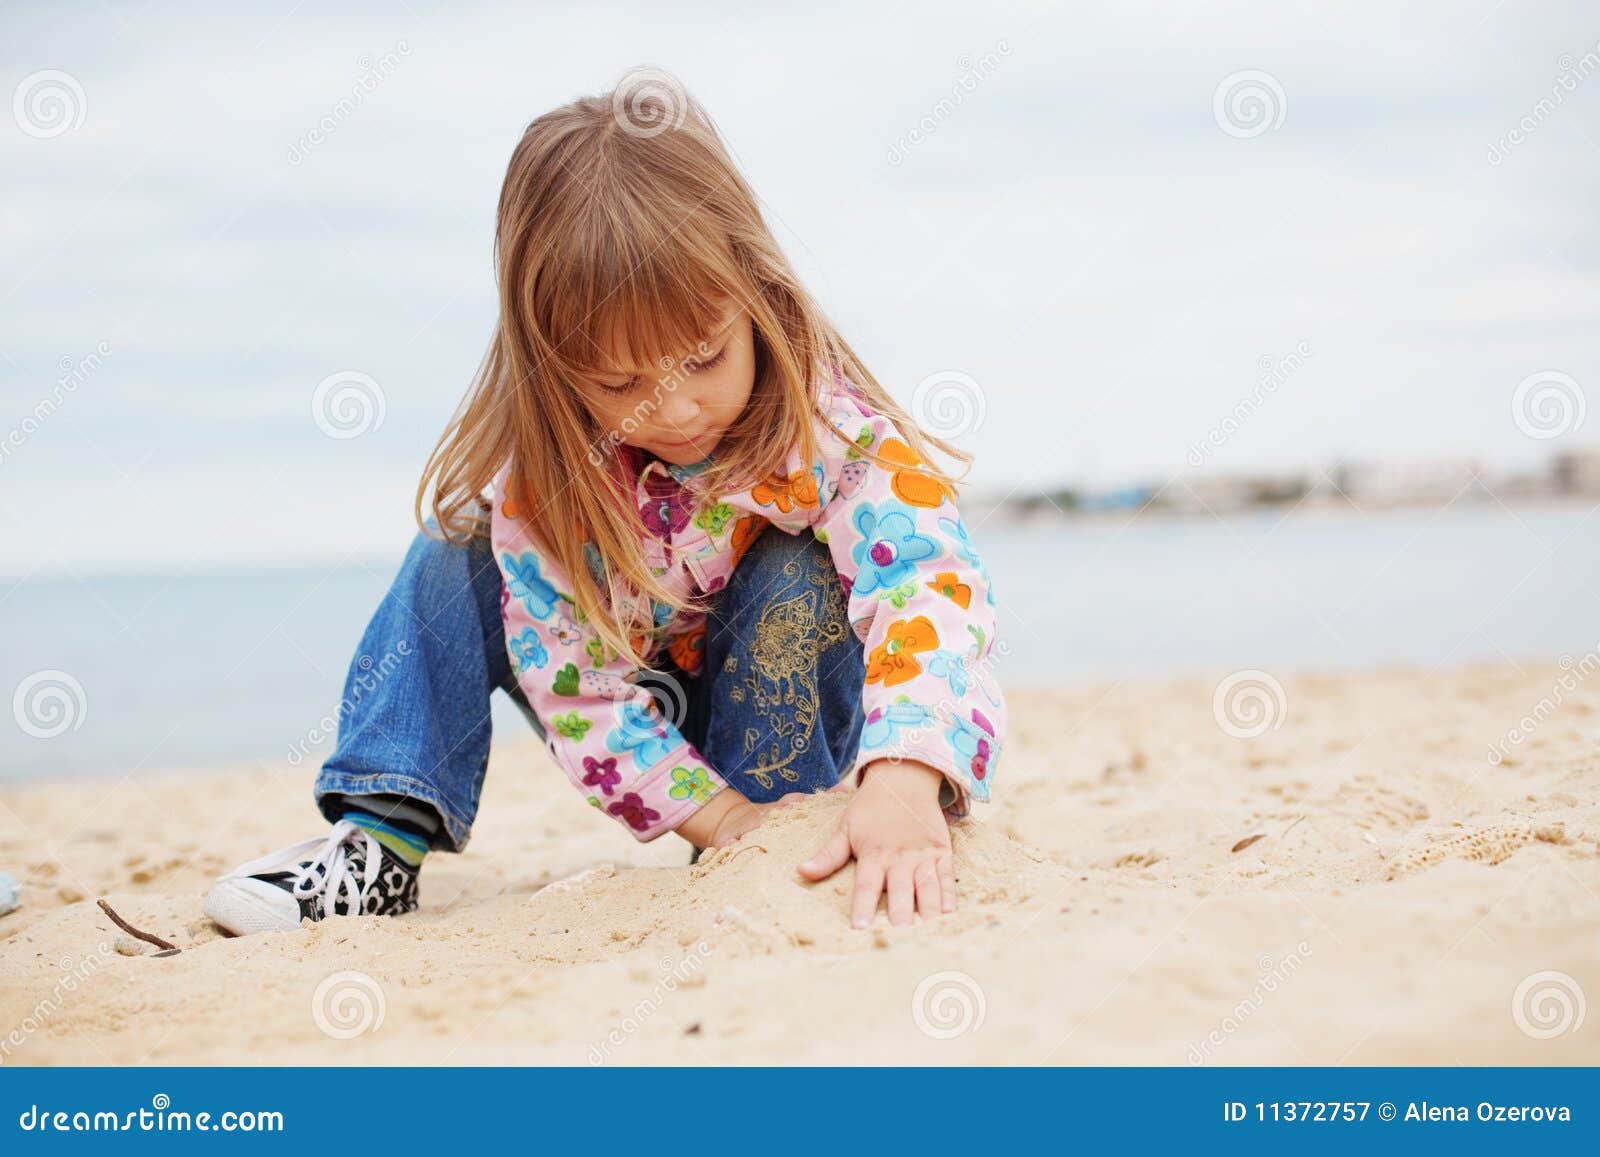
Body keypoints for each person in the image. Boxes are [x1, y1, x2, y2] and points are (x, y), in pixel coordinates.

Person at [204, 71, 1005, 937]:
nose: (677, 408)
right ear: (554, 367)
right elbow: (579, 687)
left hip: (775, 707)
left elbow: (926, 581)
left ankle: (774, 827)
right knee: (454, 553)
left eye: (704, 358)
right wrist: (714, 817)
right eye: (621, 384)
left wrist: (905, 773)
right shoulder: (549, 482)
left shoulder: (825, 430)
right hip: (626, 692)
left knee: (794, 568)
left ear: (754, 292)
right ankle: (380, 843)